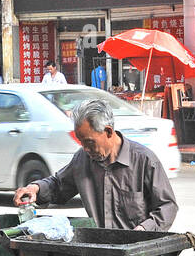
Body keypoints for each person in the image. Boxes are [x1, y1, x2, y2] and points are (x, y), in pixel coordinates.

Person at [12, 97, 177, 231]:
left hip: (136, 253)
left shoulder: (144, 161)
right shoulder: (83, 159)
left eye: (89, 142)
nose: (85, 148)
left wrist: (143, 230)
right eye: (81, 142)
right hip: (101, 250)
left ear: (108, 132)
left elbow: (167, 206)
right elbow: (58, 185)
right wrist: (35, 188)